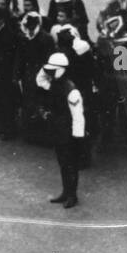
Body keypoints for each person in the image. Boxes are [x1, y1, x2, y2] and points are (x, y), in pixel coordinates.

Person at [36, 53, 84, 208]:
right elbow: (39, 79)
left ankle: (72, 195)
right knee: (63, 163)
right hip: (58, 129)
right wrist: (47, 69)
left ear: (61, 70)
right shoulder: (55, 84)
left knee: (71, 165)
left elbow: (78, 116)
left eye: (53, 70)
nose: (49, 73)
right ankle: (65, 192)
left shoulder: (71, 89)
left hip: (69, 133)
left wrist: (77, 137)